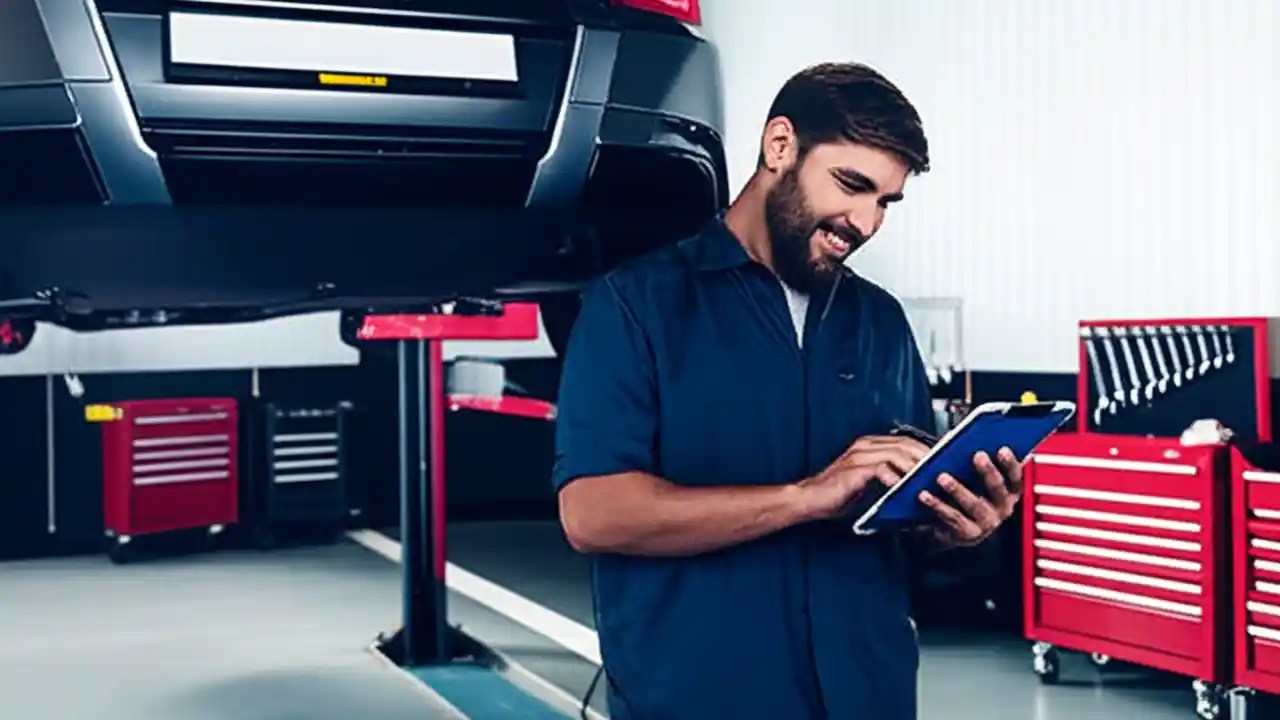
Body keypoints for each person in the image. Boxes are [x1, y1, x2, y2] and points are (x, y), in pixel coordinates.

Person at [552, 62, 1025, 720]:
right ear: (780, 146)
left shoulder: (881, 324)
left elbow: (902, 528)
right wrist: (805, 498)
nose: (865, 221)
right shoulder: (634, 306)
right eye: (852, 185)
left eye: (885, 201)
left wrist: (962, 524)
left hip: (868, 696)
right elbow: (592, 514)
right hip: (702, 701)